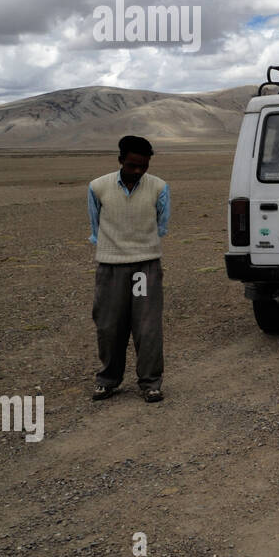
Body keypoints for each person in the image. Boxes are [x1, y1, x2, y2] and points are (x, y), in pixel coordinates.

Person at [87, 135, 170, 403]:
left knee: (147, 327)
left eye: (143, 166)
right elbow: (95, 226)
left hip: (145, 267)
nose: (138, 171)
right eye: (132, 165)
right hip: (110, 268)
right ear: (121, 160)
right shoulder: (98, 187)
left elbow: (161, 225)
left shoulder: (159, 187)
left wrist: (140, 248)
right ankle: (108, 380)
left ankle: (150, 383)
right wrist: (115, 249)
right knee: (109, 325)